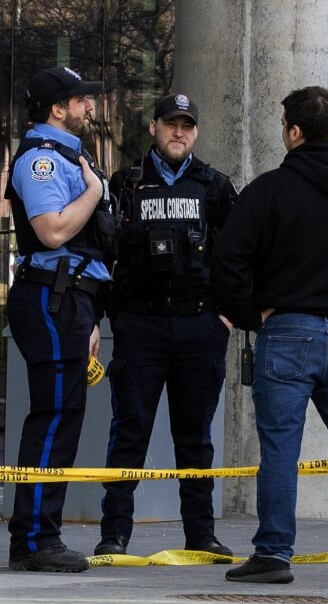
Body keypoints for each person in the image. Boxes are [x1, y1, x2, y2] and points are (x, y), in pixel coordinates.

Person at [211, 85, 328, 587]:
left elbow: (227, 264)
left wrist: (253, 315)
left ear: (294, 132)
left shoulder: (268, 190)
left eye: (284, 126)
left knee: (280, 450)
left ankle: (274, 554)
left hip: (288, 331)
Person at [94, 92, 238, 559]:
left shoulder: (215, 187)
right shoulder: (126, 184)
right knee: (129, 431)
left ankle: (200, 535)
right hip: (141, 324)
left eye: (188, 125)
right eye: (172, 123)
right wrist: (98, 317)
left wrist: (229, 315)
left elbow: (240, 256)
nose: (180, 132)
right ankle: (115, 533)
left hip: (199, 324)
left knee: (195, 436)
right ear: (154, 126)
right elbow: (103, 255)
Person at [3, 64, 115, 572]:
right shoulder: (43, 160)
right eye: (81, 99)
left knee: (65, 418)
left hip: (70, 301)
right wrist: (93, 191)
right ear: (57, 108)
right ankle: (32, 542)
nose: (89, 106)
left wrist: (90, 316)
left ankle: (41, 536)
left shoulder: (71, 154)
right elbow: (51, 232)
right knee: (52, 418)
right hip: (50, 298)